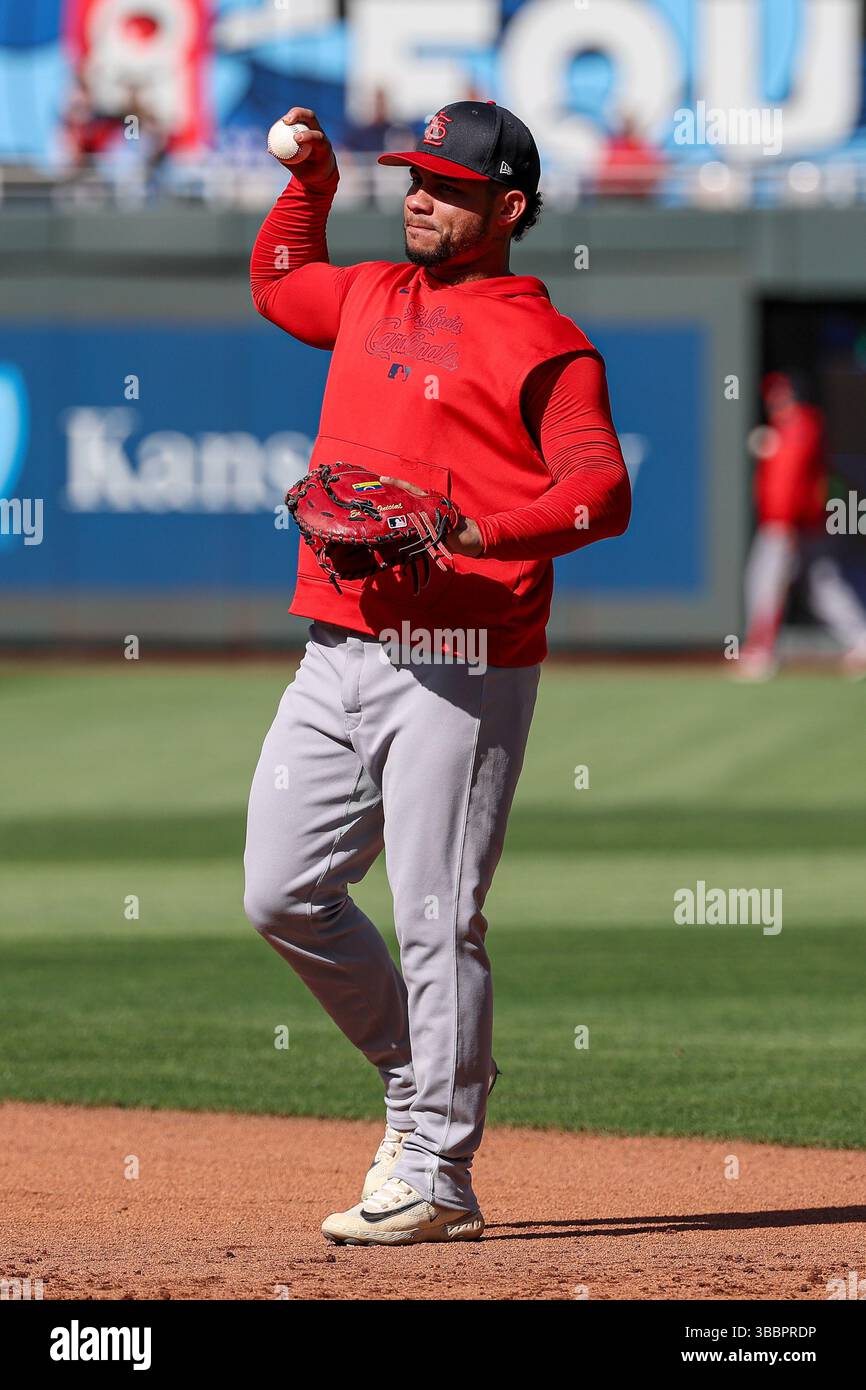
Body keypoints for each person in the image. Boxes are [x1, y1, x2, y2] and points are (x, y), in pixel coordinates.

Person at [244, 100, 631, 1245]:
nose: (419, 194)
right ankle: (424, 1077)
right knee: (281, 891)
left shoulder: (546, 343)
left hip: (460, 659)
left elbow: (598, 491)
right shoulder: (369, 293)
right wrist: (309, 181)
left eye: (446, 185)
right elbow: (277, 282)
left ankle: (436, 1172)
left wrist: (480, 535)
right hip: (335, 642)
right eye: (412, 177)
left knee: (434, 915)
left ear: (506, 209)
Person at [738, 372, 866, 679]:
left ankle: (761, 653)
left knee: (766, 583)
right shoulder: (790, 428)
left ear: (792, 395)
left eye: (780, 394)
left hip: (790, 525)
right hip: (804, 524)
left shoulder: (800, 426)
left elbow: (788, 484)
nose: (774, 400)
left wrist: (786, 524)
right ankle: (861, 641)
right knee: (824, 586)